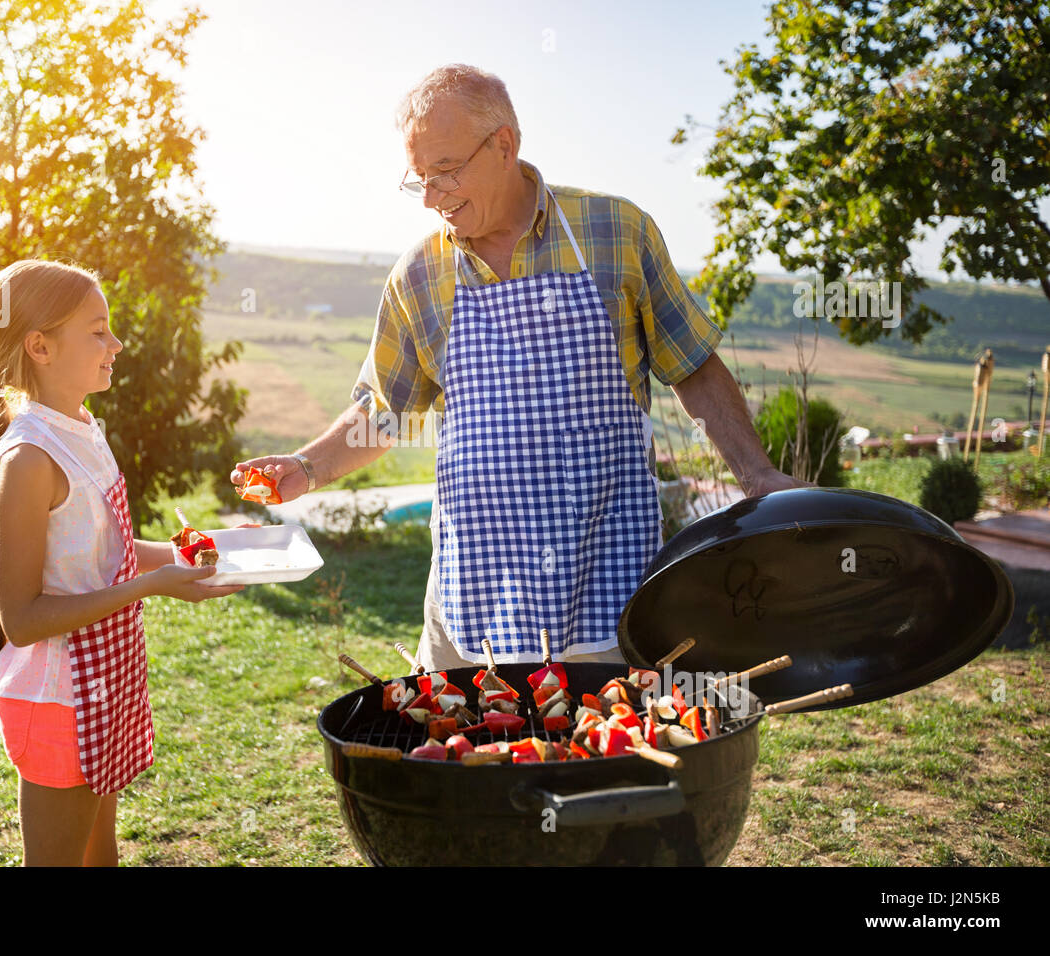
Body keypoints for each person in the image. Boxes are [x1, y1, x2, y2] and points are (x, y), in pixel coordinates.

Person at [231, 65, 805, 672]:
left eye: (446, 172)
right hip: (470, 595)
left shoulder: (615, 231)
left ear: (504, 145)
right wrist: (303, 468)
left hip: (608, 582)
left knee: (603, 753)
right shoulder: (418, 275)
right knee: (461, 755)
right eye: (419, 180)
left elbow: (692, 365)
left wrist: (758, 478)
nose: (431, 197)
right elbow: (384, 411)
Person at [0, 259, 243, 866]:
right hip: (58, 697)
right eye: (98, 331)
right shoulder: (29, 460)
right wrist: (153, 586)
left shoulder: (81, 428)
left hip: (102, 680)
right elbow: (23, 620)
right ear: (39, 346)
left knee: (103, 856)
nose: (116, 344)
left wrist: (207, 554)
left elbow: (109, 555)